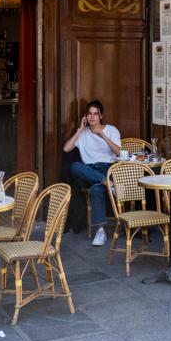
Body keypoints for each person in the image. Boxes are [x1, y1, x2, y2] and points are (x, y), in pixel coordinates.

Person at [63, 100, 121, 246]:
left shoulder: (111, 130)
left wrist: (103, 136)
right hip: (89, 171)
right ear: (86, 116)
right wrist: (80, 130)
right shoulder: (83, 133)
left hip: (107, 168)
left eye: (95, 114)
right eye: (89, 113)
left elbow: (119, 153)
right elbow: (66, 148)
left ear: (101, 116)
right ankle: (106, 182)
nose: (92, 116)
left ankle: (99, 232)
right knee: (75, 166)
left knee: (96, 189)